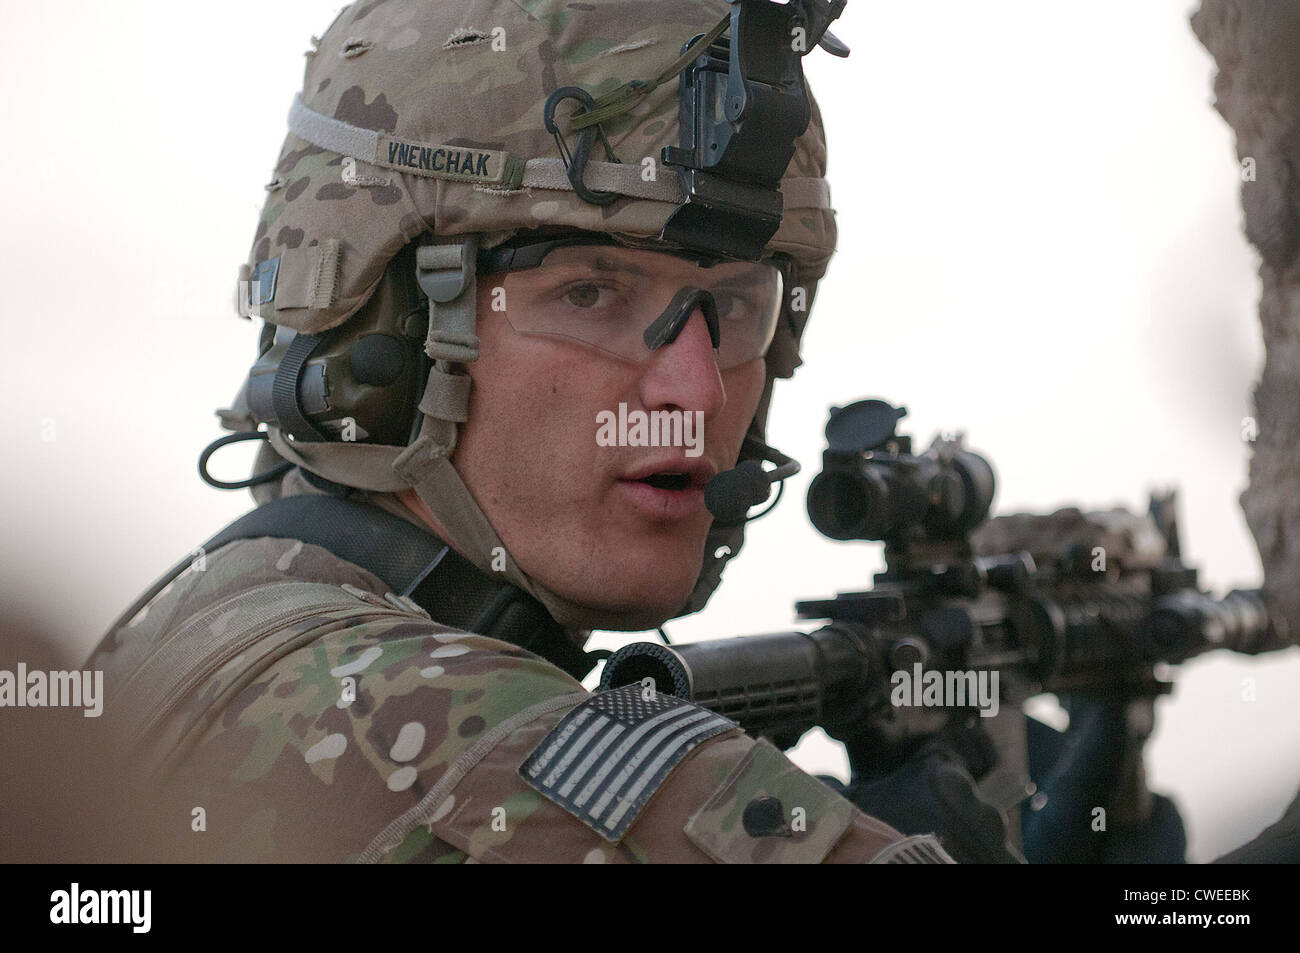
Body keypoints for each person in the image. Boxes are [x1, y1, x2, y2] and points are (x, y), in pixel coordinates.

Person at [88, 0, 1018, 863]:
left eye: (734, 305)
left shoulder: (212, 624)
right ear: (390, 338)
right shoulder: (492, 746)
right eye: (590, 293)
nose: (693, 389)